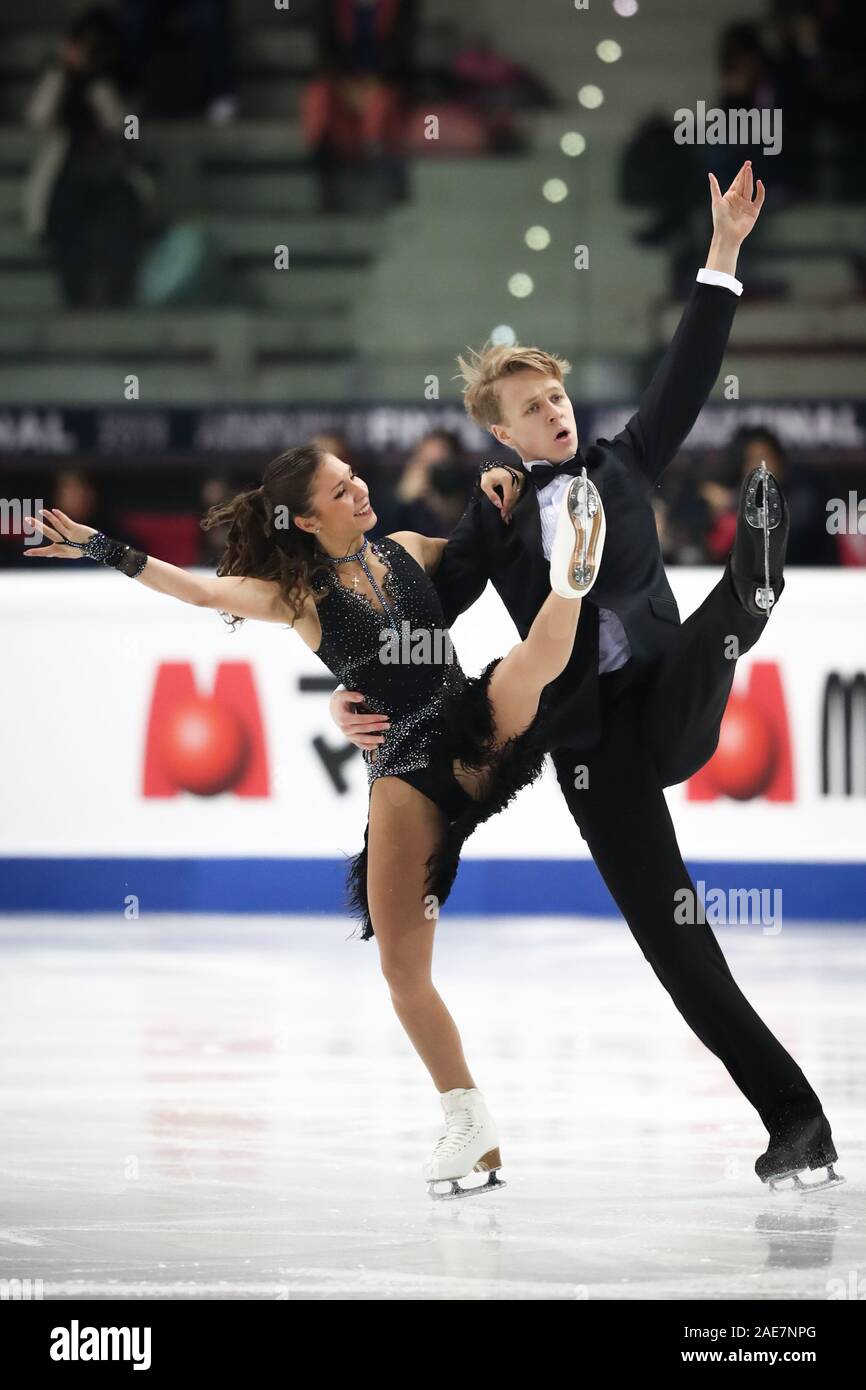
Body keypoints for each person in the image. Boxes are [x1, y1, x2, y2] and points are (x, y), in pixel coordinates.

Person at [330, 162, 842, 1194]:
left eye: (557, 394)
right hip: (589, 749)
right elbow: (426, 617)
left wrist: (722, 252)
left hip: (669, 688)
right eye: (532, 407)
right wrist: (363, 690)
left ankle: (748, 587)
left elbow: (685, 373)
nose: (554, 411)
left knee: (710, 638)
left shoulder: (623, 461)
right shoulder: (493, 519)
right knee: (676, 944)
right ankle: (798, 1124)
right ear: (501, 433)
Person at [22, 442, 606, 1200]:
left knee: (529, 666)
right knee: (403, 970)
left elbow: (480, 540)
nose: (359, 490)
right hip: (407, 775)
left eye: (353, 477)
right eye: (340, 489)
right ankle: (471, 1124)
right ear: (303, 519)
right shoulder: (297, 597)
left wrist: (501, 485)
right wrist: (101, 546)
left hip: (468, 732)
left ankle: (573, 577)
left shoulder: (407, 548)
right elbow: (198, 592)